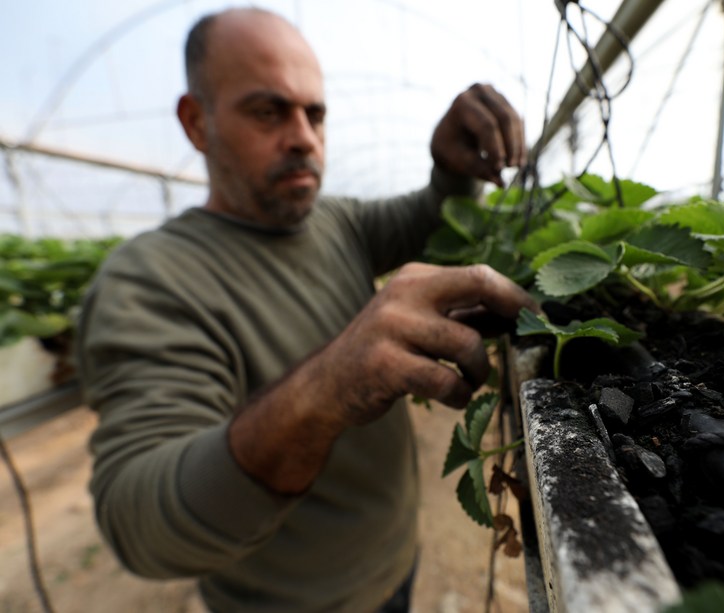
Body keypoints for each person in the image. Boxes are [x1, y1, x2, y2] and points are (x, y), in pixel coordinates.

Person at [75, 7, 536, 613]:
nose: (302, 137)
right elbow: (142, 524)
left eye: (314, 114)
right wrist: (328, 385)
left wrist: (452, 170)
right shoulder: (149, 279)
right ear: (196, 121)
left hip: (396, 560)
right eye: (268, 111)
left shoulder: (335, 221)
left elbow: (426, 218)